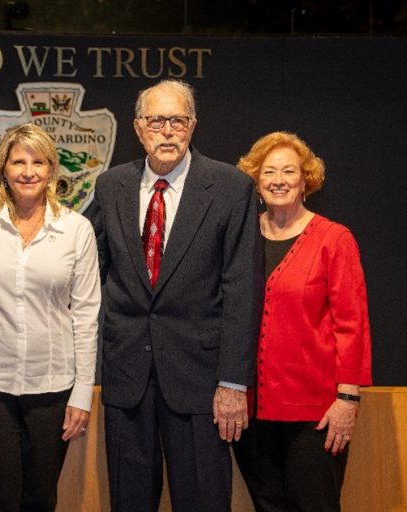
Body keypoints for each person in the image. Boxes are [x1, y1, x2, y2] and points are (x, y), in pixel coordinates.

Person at [84, 79, 263, 511]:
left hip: (200, 382)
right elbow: (87, 267)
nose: (167, 131)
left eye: (177, 121)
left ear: (193, 126)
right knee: (128, 501)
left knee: (203, 499)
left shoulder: (230, 187)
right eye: (156, 120)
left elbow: (243, 288)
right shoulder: (111, 187)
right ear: (138, 128)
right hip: (128, 378)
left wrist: (233, 383)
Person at [0, 123, 100, 511]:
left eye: (38, 162)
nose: (28, 171)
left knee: (39, 498)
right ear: (2, 168)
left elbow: (86, 316)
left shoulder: (76, 230)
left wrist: (83, 393)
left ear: (52, 169)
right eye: (18, 161)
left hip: (52, 387)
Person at [232, 131, 373, 512]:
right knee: (268, 505)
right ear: (257, 182)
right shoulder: (241, 236)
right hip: (251, 410)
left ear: (305, 179)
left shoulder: (334, 239)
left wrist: (347, 399)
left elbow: (352, 323)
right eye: (269, 172)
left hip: (315, 413)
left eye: (289, 171)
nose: (279, 180)